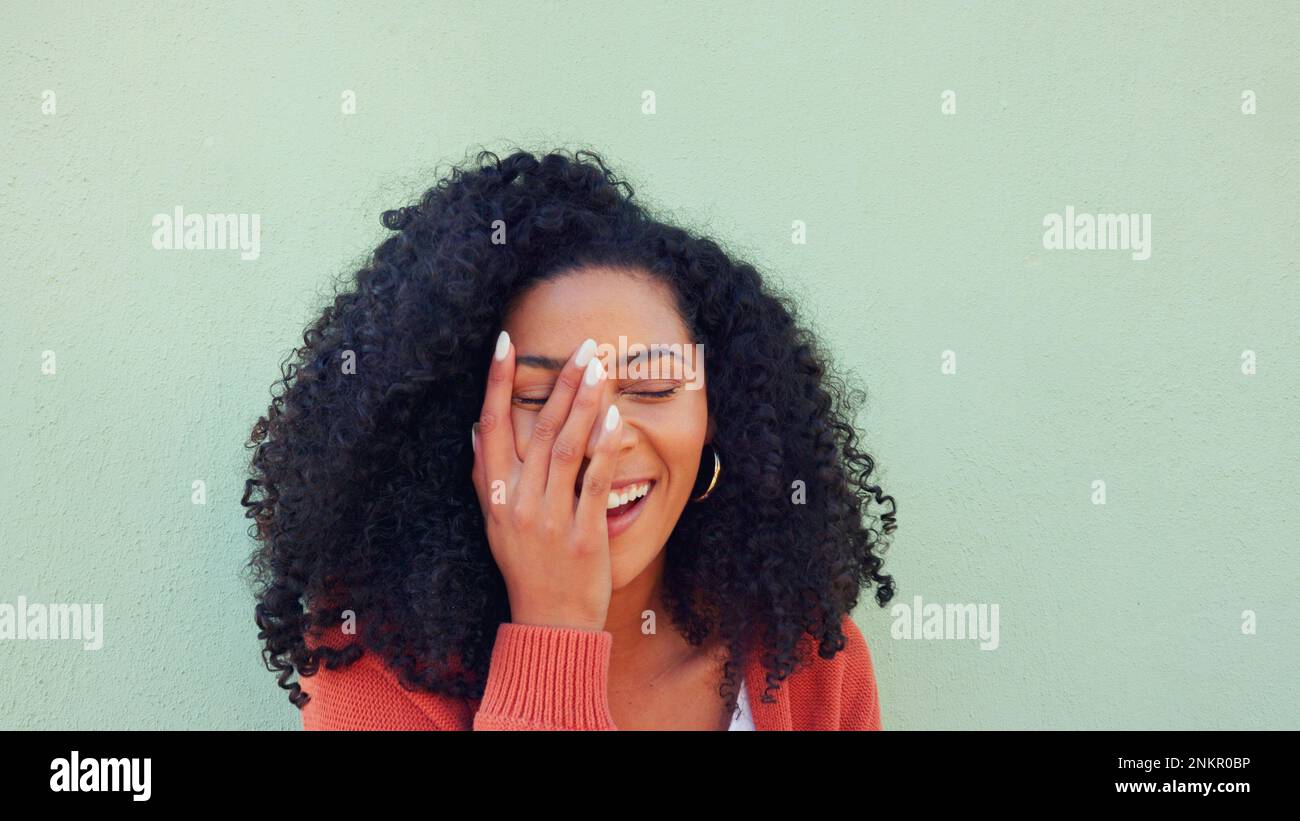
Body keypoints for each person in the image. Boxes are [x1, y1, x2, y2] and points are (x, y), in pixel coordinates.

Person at [241, 148, 898, 730]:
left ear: (716, 413)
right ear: (462, 429)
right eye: (539, 398)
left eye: (651, 389)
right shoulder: (374, 670)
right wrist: (552, 631)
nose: (600, 439)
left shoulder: (809, 657)